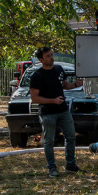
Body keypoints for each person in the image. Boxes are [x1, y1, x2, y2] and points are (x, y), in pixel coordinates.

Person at [30, 46, 84, 177]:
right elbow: (34, 97)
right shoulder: (37, 76)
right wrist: (52, 100)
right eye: (48, 56)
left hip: (63, 111)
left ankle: (70, 165)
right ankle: (52, 169)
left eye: (51, 55)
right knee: (49, 141)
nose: (51, 58)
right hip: (47, 113)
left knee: (71, 136)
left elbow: (65, 85)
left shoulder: (59, 70)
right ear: (41, 60)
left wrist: (76, 84)